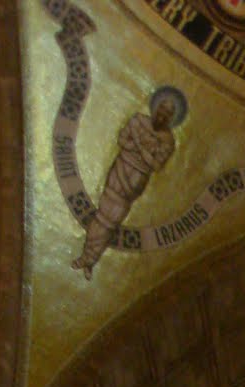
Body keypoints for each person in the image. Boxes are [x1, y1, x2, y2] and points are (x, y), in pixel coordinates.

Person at [72, 88, 185, 279]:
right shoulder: (138, 120)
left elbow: (156, 165)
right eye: (162, 109)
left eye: (168, 114)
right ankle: (86, 256)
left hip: (135, 182)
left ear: (172, 118)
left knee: (111, 222)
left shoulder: (168, 141)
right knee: (102, 217)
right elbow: (122, 140)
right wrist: (143, 150)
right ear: (156, 107)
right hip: (120, 171)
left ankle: (92, 259)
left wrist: (139, 146)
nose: (163, 115)